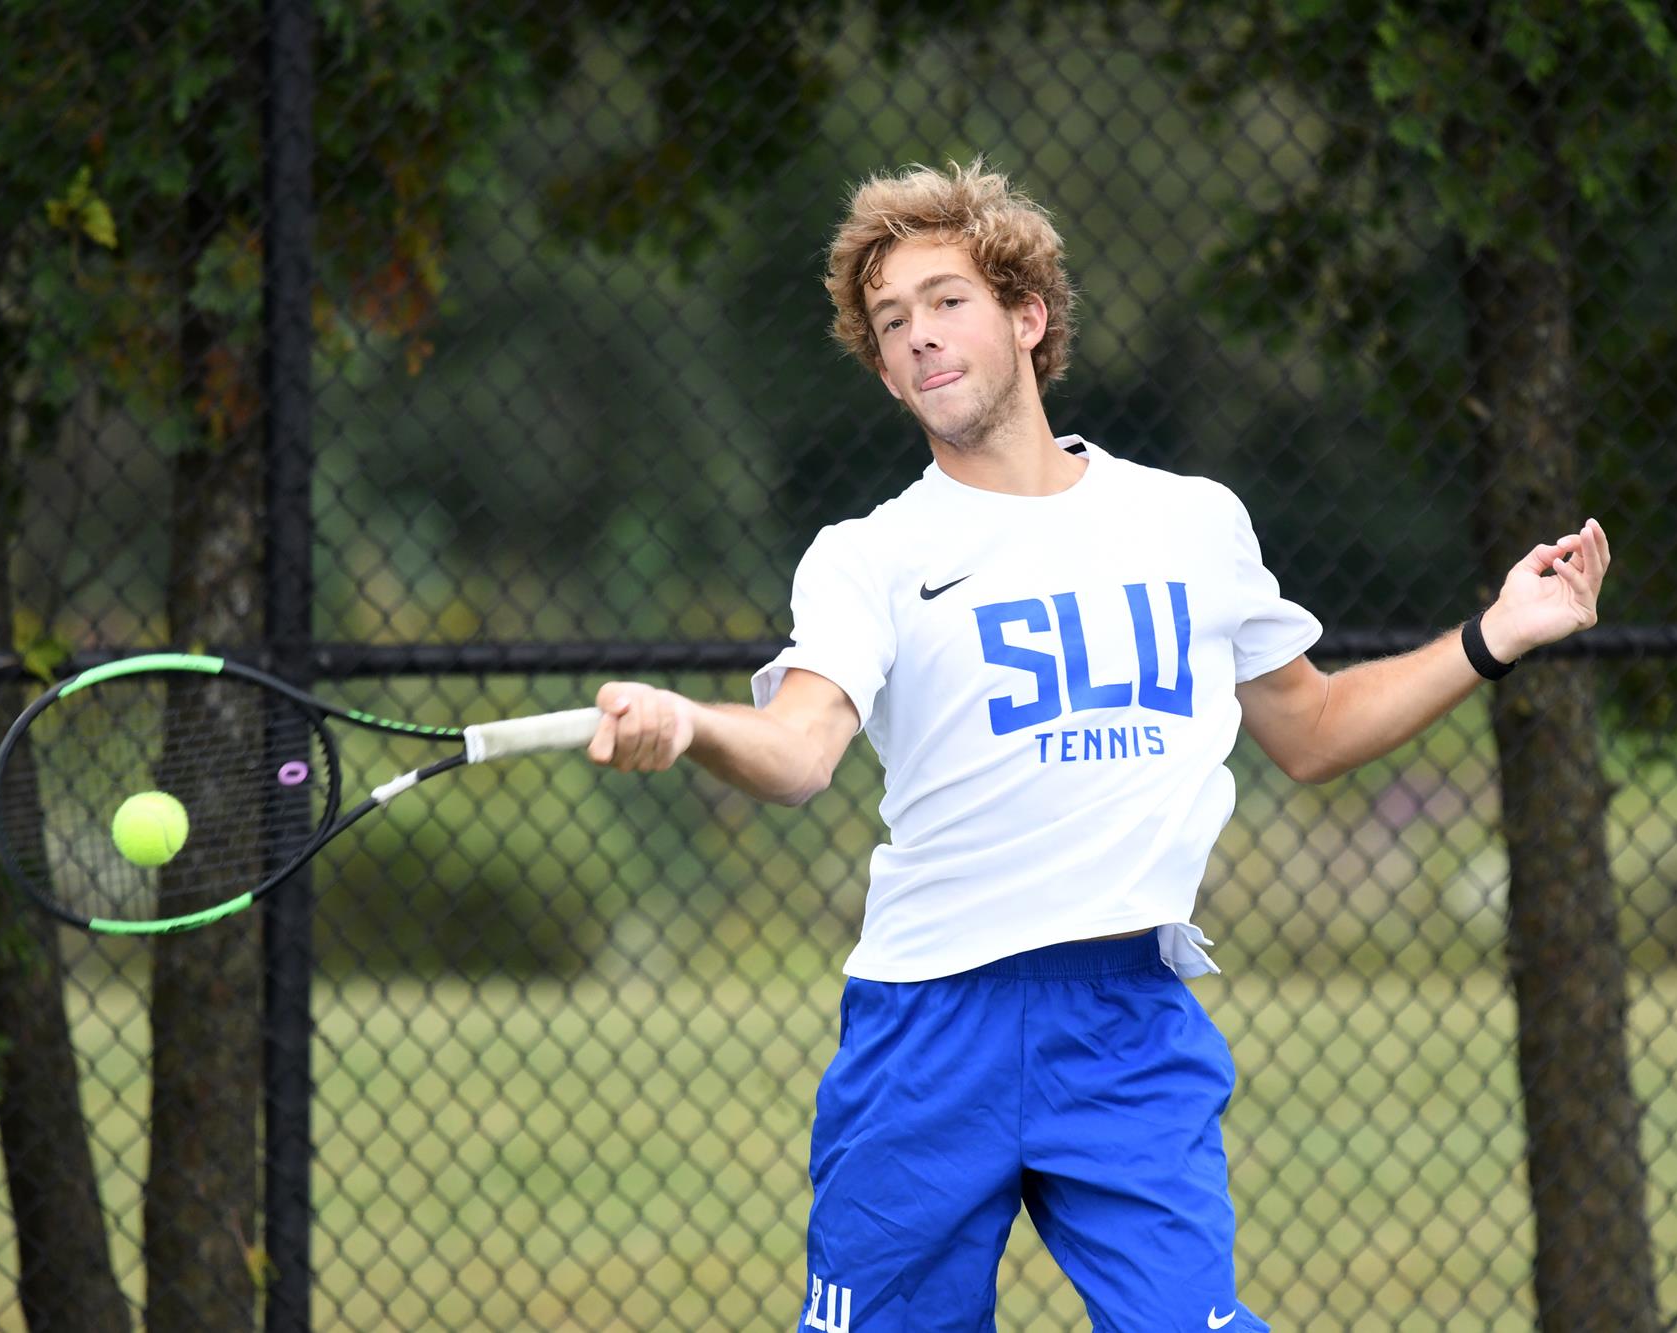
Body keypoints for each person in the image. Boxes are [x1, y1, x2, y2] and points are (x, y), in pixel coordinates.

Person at [588, 160, 1610, 1332]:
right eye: (890, 323)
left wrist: (1495, 632)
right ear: (879, 369)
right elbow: (799, 747)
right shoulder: (864, 554)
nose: (918, 336)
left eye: (945, 300)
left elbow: (1313, 728)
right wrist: (690, 724)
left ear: (1026, 316)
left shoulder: (1189, 521)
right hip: (929, 1032)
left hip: (1127, 1022)